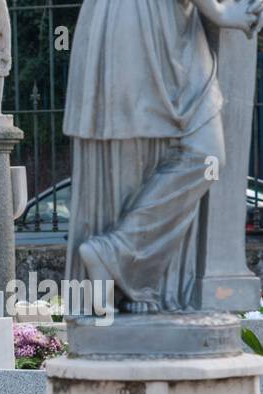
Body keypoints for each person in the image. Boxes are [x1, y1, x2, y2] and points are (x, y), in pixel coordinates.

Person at [64, 0, 263, 313]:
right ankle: (127, 275)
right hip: (147, 24)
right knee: (163, 157)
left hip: (156, 24)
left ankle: (119, 260)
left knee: (201, 156)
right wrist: (220, 13)